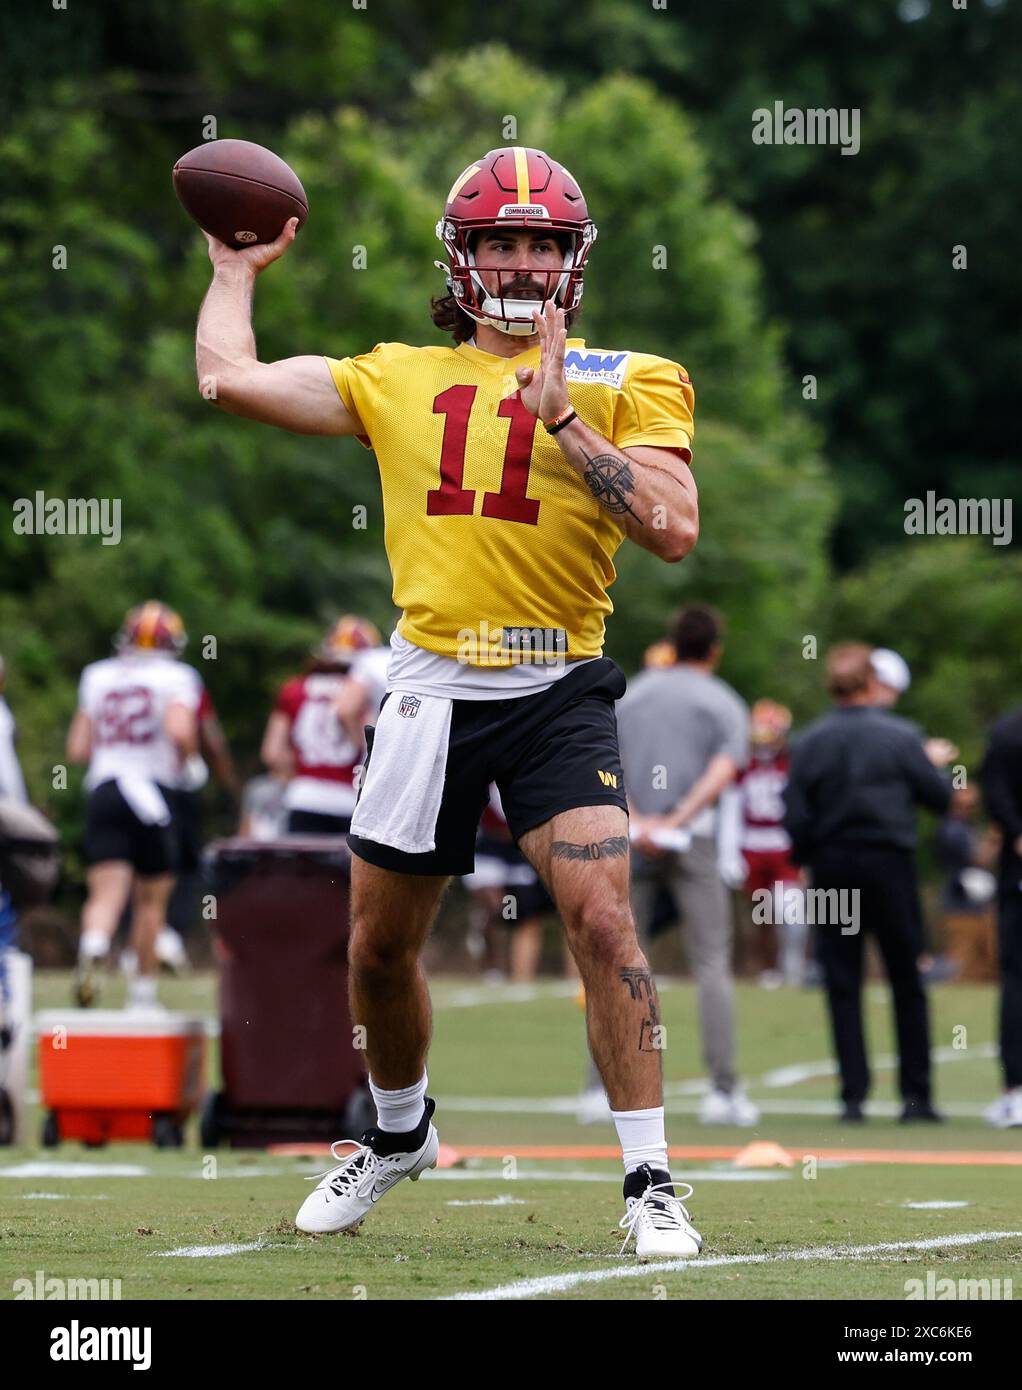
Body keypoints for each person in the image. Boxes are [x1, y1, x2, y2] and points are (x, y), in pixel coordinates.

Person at [195, 146, 703, 1257]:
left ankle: (650, 1177)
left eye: (541, 243)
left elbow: (671, 530)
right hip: (429, 686)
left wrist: (569, 421)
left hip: (558, 678)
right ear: (463, 258)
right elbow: (227, 379)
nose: (521, 261)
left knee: (602, 916)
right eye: (500, 242)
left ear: (572, 261)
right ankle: (396, 1133)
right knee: (376, 951)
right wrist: (235, 270)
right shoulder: (396, 374)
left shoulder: (634, 374)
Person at [782, 643, 951, 1123]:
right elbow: (938, 799)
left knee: (842, 981)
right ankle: (916, 1099)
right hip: (890, 865)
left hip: (834, 866)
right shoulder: (901, 736)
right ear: (871, 681)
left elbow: (794, 812)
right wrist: (933, 763)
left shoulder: (811, 741)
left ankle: (853, 1097)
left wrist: (810, 855)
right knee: (906, 979)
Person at [616, 605, 759, 1126]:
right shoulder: (723, 701)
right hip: (693, 837)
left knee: (619, 965)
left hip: (630, 832)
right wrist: (676, 819)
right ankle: (722, 1091)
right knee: (712, 964)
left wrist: (639, 818)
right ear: (714, 650)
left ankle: (600, 1089)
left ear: (671, 643)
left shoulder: (635, 691)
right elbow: (724, 771)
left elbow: (602, 756)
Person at [66, 602, 200, 1010]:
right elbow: (178, 729)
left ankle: (93, 944)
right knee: (150, 901)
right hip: (151, 795)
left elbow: (77, 749)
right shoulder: (177, 676)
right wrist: (190, 760)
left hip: (105, 788)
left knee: (105, 894)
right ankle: (141, 996)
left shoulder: (98, 674)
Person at [261, 616, 381, 835]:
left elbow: (272, 753)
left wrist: (302, 777)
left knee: (305, 869)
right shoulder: (364, 696)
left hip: (304, 797)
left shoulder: (294, 689)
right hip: (350, 800)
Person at [736, 700, 805, 988]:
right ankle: (767, 969)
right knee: (760, 914)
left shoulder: (793, 764)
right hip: (751, 844)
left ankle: (794, 967)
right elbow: (732, 810)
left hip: (783, 843)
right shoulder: (744, 765)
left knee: (791, 910)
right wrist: (732, 850)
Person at [979, 707, 1022, 1128]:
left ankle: (1015, 1091)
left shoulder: (1007, 730)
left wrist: (1014, 830)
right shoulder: (1009, 731)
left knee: (1016, 978)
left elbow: (994, 789)